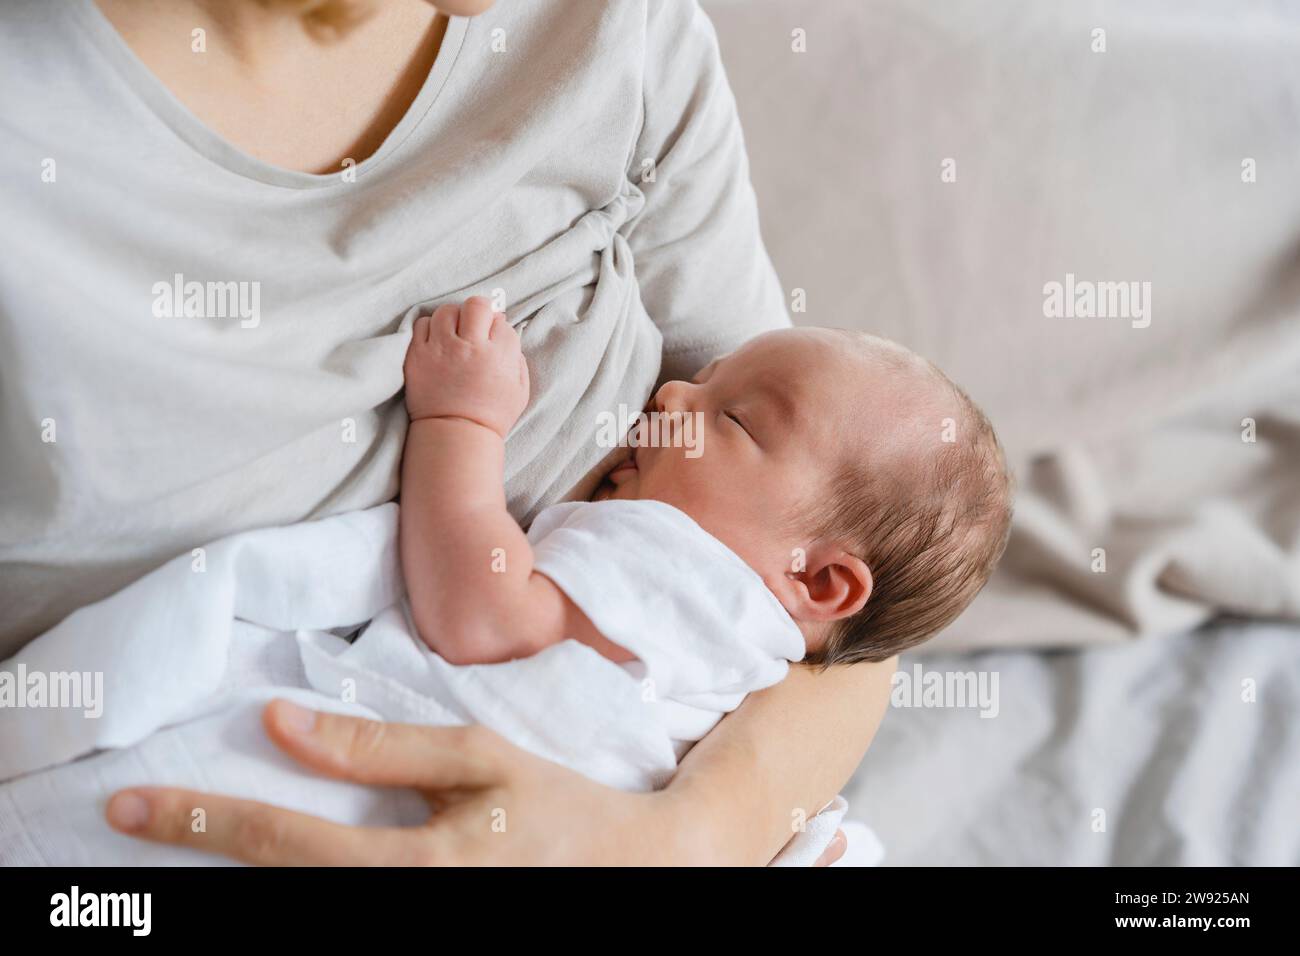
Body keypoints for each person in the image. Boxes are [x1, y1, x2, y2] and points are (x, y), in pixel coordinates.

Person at [1, 0, 895, 864]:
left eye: (721, 409)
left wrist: (687, 841)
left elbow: (862, 619)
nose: (669, 399)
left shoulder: (611, 26)